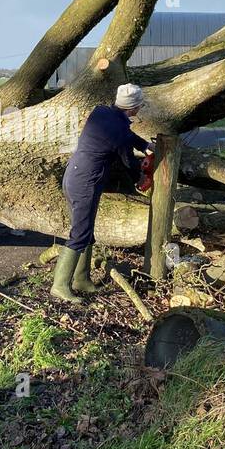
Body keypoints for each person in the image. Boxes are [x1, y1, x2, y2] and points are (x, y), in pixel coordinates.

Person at [51, 83, 151, 303]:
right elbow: (128, 162)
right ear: (133, 108)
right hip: (86, 182)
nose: (140, 109)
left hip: (74, 176)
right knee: (79, 234)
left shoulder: (102, 113)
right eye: (139, 106)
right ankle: (60, 286)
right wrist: (140, 179)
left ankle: (81, 279)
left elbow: (126, 135)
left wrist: (145, 144)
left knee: (85, 231)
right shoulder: (118, 130)